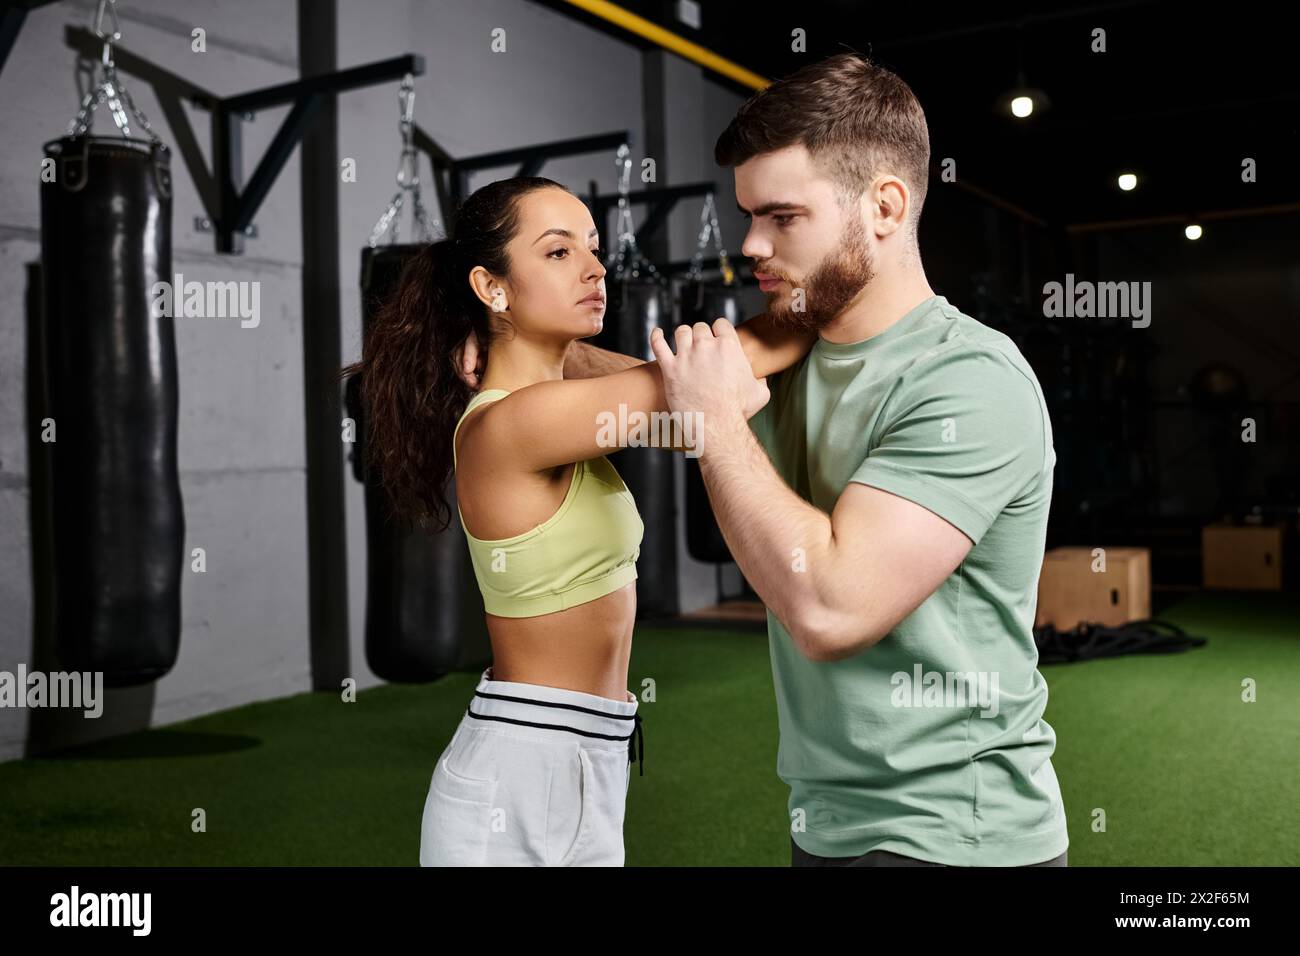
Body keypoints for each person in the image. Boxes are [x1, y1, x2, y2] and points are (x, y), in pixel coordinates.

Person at [645, 53, 1070, 867]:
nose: (750, 245)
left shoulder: (968, 380)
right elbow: (624, 394)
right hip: (828, 824)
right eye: (748, 216)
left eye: (781, 217)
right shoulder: (784, 342)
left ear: (884, 205)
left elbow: (830, 611)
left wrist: (718, 430)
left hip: (957, 836)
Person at [341, 175, 812, 866]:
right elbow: (734, 371)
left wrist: (508, 338)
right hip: (517, 774)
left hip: (593, 756)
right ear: (492, 286)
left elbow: (700, 419)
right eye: (558, 252)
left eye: (593, 247)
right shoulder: (515, 424)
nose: (595, 268)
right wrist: (825, 271)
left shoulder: (557, 407)